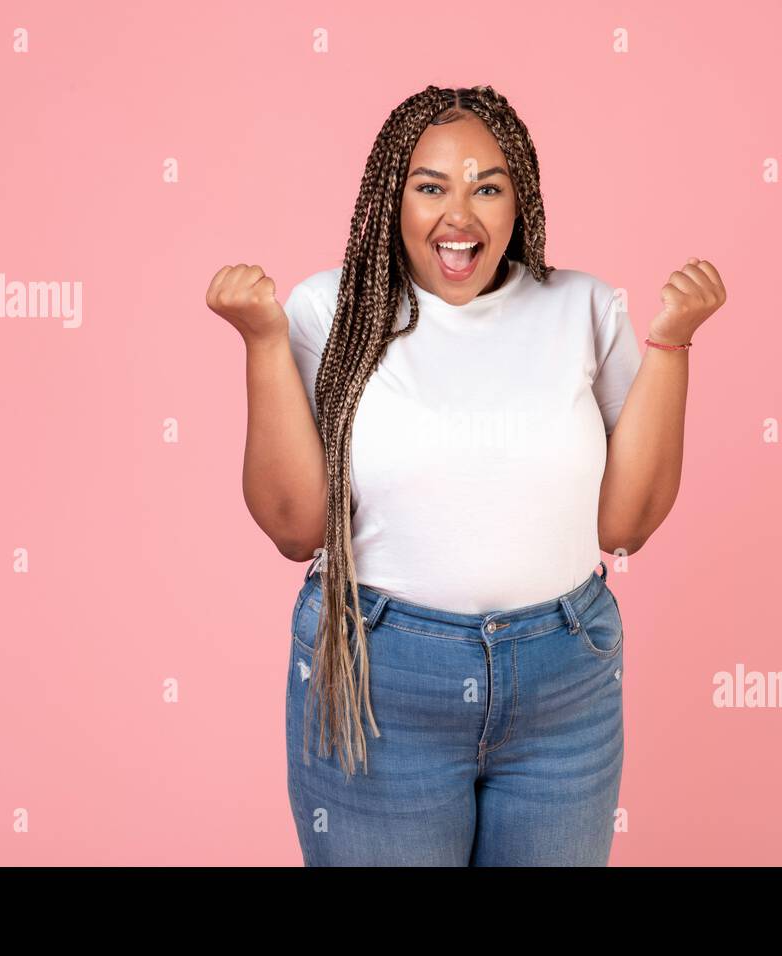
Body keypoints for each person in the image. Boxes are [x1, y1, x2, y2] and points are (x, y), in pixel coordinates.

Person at [205, 84, 726, 865]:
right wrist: (259, 341)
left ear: (521, 201)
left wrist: (673, 344)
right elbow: (294, 527)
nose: (460, 214)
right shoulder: (327, 312)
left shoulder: (582, 307)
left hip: (564, 681)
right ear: (392, 198)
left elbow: (626, 525)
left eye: (488, 186)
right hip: (379, 680)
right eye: (430, 187)